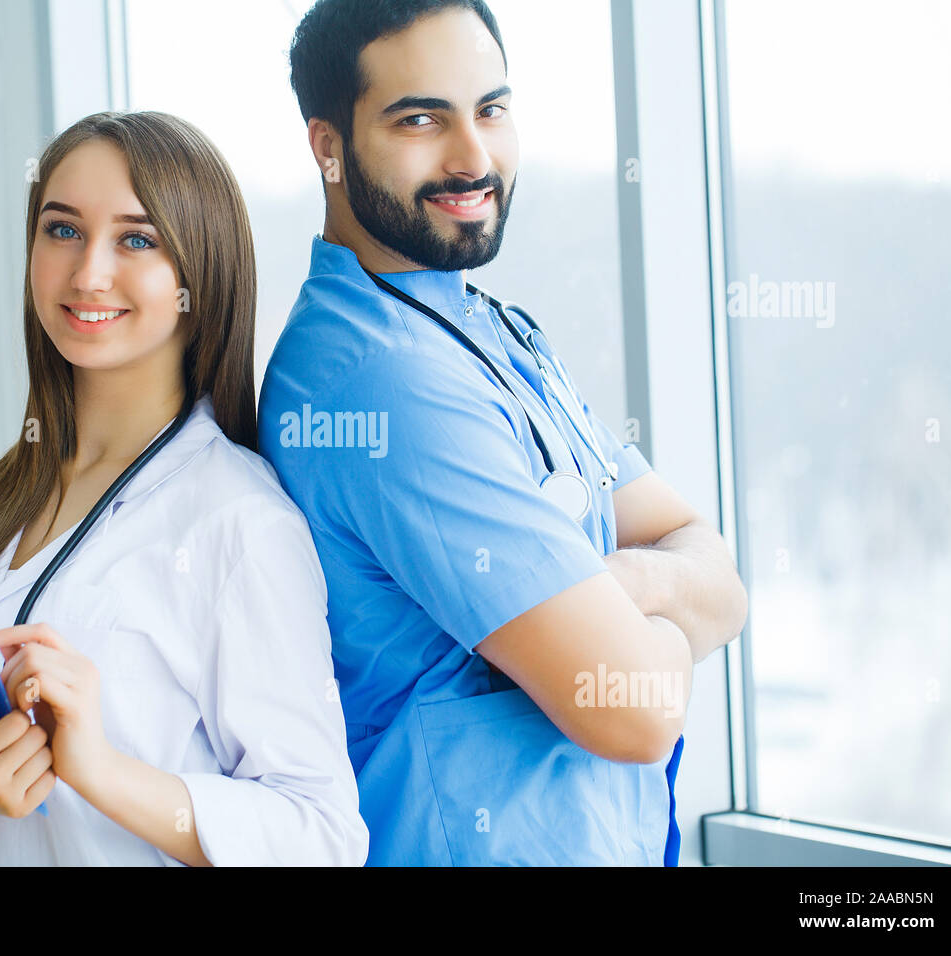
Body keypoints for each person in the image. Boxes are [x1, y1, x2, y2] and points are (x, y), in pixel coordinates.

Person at [258, 0, 749, 865]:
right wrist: (660, 611)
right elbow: (633, 704)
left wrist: (625, 582)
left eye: (491, 109)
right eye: (421, 119)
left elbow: (720, 574)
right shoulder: (381, 382)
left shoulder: (488, 328)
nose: (473, 157)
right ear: (327, 145)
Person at [0, 110, 370, 866]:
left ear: (200, 271)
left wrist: (103, 771)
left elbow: (320, 837)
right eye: (62, 230)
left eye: (136, 239)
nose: (88, 273)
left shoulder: (241, 522)